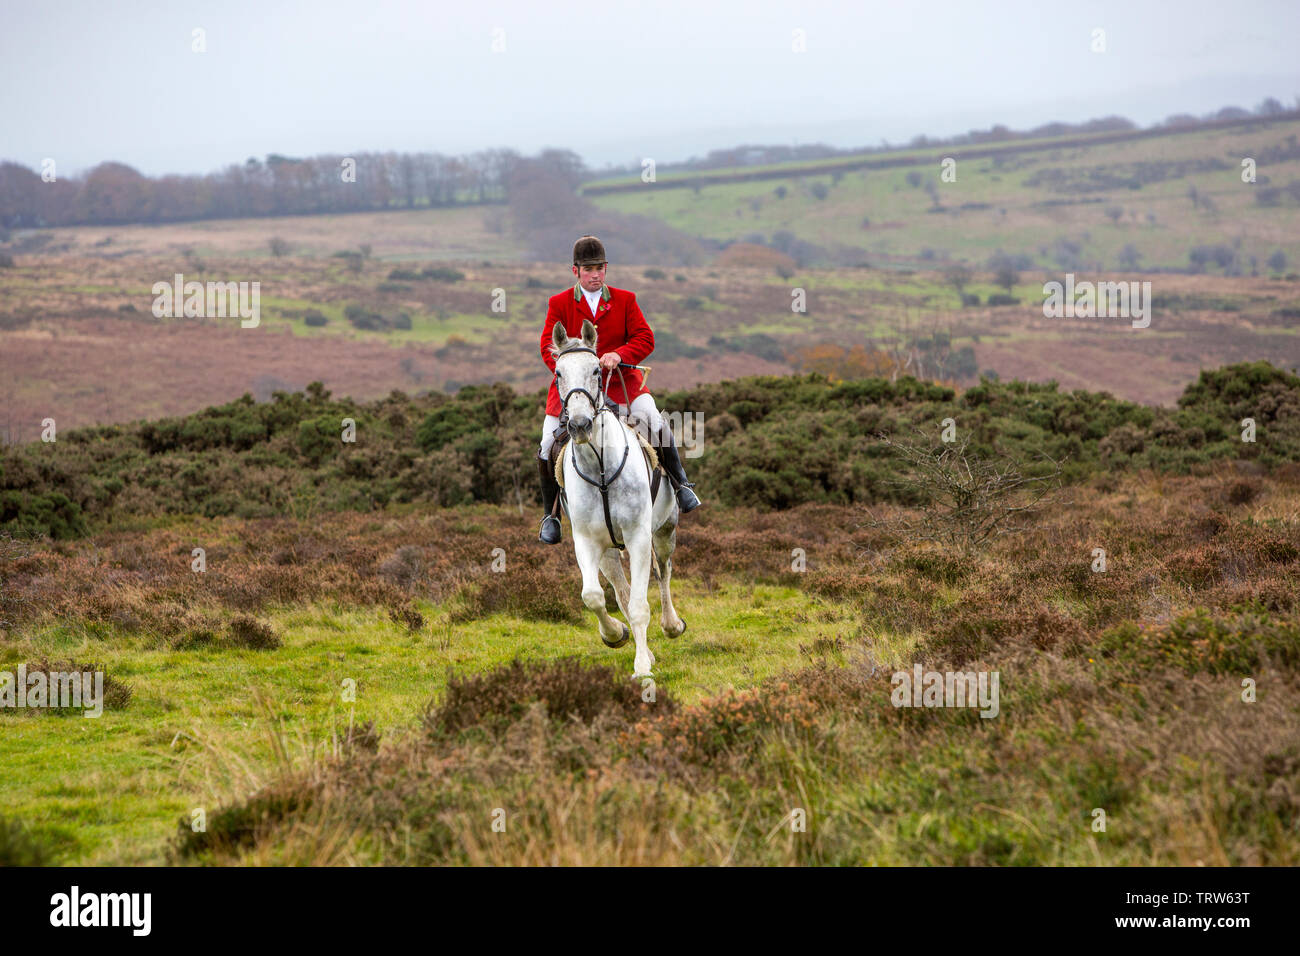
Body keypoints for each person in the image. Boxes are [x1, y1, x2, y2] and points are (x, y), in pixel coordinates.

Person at [536, 235, 701, 545]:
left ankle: (681, 486)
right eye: (588, 269)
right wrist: (575, 372)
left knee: (654, 421)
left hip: (624, 385)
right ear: (576, 272)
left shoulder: (626, 300)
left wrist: (620, 354)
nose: (595, 275)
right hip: (573, 394)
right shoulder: (558, 304)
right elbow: (548, 348)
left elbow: (645, 339)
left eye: (600, 268)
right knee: (546, 445)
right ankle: (551, 516)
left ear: (606, 268)